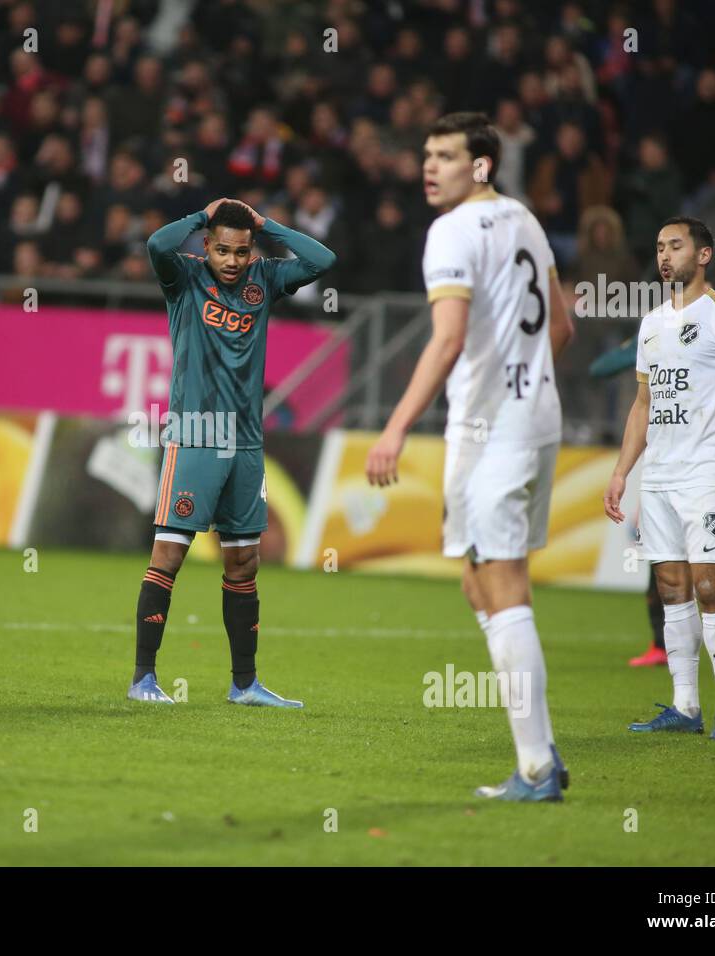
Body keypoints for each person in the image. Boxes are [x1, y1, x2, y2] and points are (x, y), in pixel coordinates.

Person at [366, 112, 576, 802]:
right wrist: (527, 381)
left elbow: (447, 339)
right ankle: (536, 752)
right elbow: (565, 324)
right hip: (537, 422)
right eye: (426, 154)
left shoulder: (450, 233)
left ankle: (538, 767)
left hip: (493, 435)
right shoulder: (525, 219)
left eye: (447, 156)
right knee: (478, 581)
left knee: (503, 582)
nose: (430, 167)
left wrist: (395, 426)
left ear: (481, 164)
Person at [129, 197, 335, 707]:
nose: (232, 261)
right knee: (170, 553)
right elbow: (156, 243)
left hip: (246, 440)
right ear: (206, 245)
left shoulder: (263, 280)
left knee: (244, 563)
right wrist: (203, 212)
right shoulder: (184, 278)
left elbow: (321, 260)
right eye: (222, 250)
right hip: (197, 433)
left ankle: (244, 685)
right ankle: (143, 680)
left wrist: (268, 226)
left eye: (241, 252)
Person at [604, 217, 715, 741]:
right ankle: (685, 706)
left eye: (675, 245)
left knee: (711, 585)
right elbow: (644, 404)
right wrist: (622, 471)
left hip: (707, 474)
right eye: (659, 247)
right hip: (661, 477)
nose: (664, 256)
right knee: (671, 587)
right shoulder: (650, 324)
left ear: (704, 254)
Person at [588, 340, 715, 673]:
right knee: (664, 559)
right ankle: (659, 646)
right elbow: (599, 369)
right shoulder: (655, 332)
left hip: (711, 464)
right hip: (664, 466)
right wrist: (634, 351)